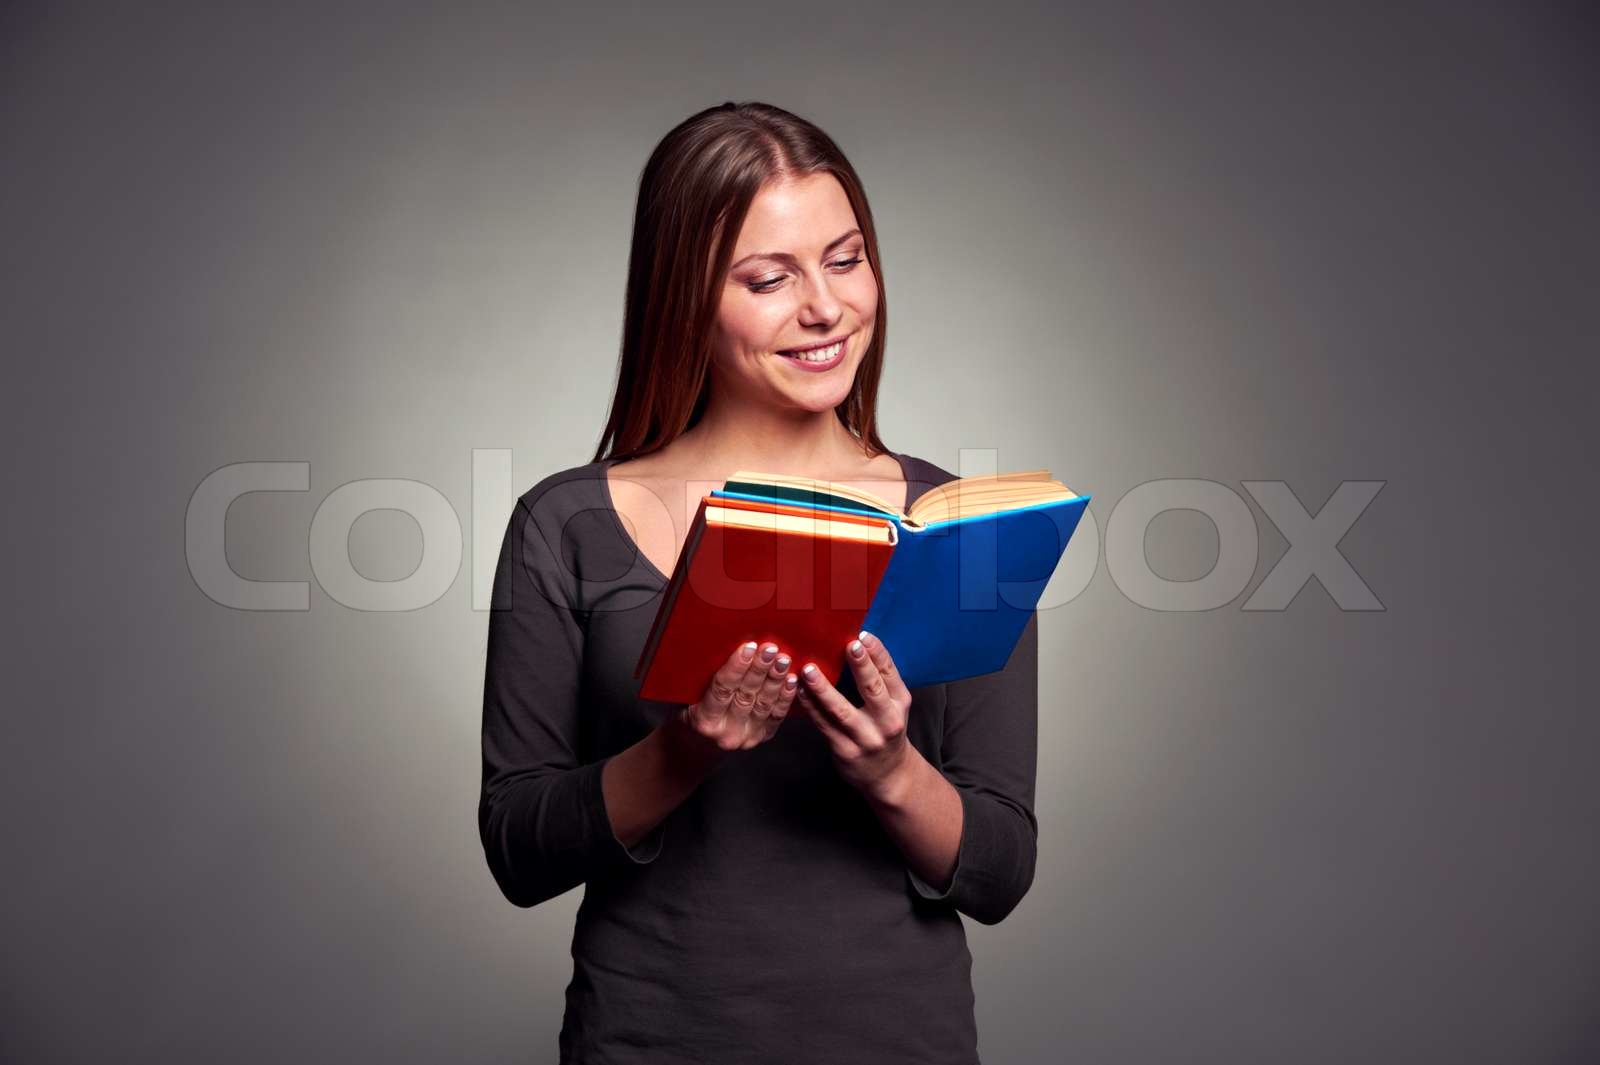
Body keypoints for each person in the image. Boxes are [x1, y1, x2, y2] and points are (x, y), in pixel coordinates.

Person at [478, 101, 1040, 1065]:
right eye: (768, 278)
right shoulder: (566, 522)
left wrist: (891, 770)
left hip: (899, 1039)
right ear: (685, 299)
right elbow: (518, 851)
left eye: (846, 258)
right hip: (649, 1038)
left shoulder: (959, 527)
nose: (824, 308)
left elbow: (999, 871)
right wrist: (687, 748)